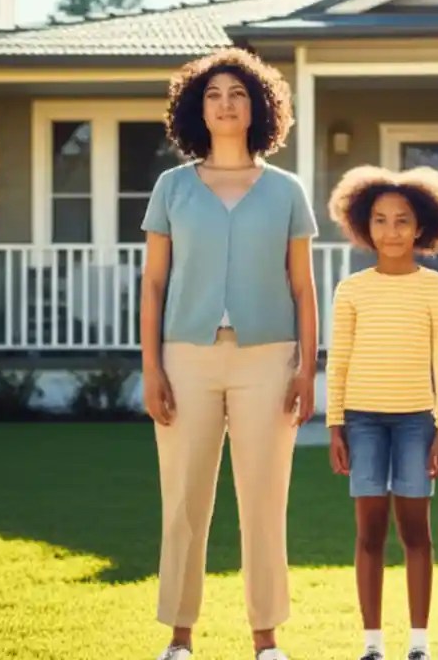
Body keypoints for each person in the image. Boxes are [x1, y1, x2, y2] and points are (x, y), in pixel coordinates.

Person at [140, 47, 319, 660]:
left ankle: (266, 638)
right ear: (197, 107)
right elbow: (155, 285)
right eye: (214, 94)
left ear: (258, 107)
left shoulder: (286, 190)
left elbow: (303, 285)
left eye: (238, 94)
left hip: (268, 360)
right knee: (185, 499)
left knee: (264, 500)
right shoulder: (172, 188)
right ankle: (181, 636)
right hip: (185, 358)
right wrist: (151, 369)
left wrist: (307, 369)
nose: (225, 103)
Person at [324, 164, 438, 660]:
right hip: (361, 423)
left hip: (414, 424)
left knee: (415, 532)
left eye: (402, 220)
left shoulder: (436, 290)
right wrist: (335, 425)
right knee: (369, 533)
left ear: (422, 226)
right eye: (380, 220)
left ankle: (420, 643)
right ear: (365, 225)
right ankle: (371, 643)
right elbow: (337, 362)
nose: (391, 230)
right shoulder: (352, 290)